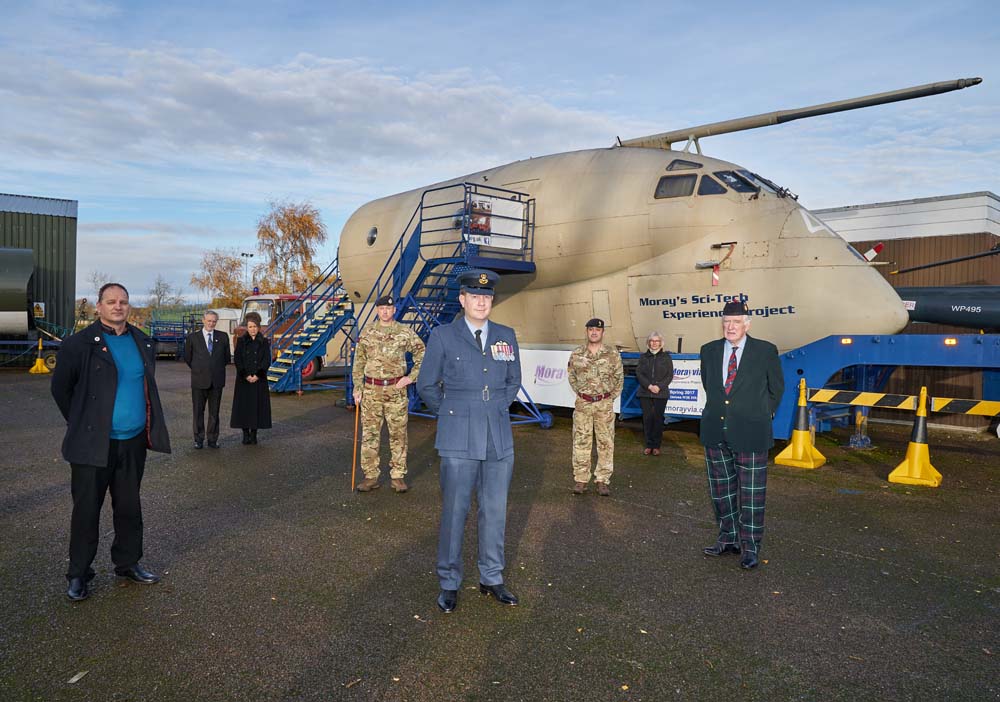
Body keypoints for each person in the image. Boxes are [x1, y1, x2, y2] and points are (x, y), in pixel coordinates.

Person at [50, 282, 171, 601]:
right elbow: (61, 390)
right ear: (98, 307)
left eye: (124, 302)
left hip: (132, 443)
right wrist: (84, 424)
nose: (118, 306)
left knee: (130, 507)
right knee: (87, 510)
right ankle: (78, 574)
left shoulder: (142, 342)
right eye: (111, 301)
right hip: (92, 445)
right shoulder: (79, 344)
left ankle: (128, 563)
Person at [416, 269, 521, 613]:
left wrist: (496, 406)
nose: (481, 301)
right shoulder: (443, 336)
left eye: (487, 297)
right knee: (455, 512)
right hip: (458, 436)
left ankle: (492, 577)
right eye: (474, 296)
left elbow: (512, 380)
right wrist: (451, 414)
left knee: (495, 512)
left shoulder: (506, 335)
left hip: (498, 438)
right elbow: (427, 385)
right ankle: (449, 582)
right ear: (462, 300)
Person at [699, 300, 784, 570]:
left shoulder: (765, 351)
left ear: (747, 324)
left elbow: (776, 389)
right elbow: (710, 386)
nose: (730, 327)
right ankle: (728, 538)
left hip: (751, 432)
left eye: (736, 322)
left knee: (750, 495)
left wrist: (761, 413)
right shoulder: (709, 351)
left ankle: (750, 547)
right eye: (726, 322)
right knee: (721, 492)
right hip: (715, 430)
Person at [351, 294, 425, 493]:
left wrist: (411, 377)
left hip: (396, 391)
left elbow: (422, 352)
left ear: (394, 310)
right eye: (381, 308)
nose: (385, 311)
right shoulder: (367, 332)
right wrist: (357, 387)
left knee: (398, 434)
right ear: (377, 310)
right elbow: (358, 362)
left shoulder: (404, 332)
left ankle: (398, 476)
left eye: (389, 309)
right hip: (371, 391)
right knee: (370, 435)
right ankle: (370, 476)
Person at [567, 318, 624, 496]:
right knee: (581, 441)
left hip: (604, 405)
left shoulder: (612, 354)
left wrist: (607, 398)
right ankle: (581, 479)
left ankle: (602, 480)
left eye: (597, 330)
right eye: (591, 329)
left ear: (602, 332)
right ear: (587, 332)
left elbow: (619, 378)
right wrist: (583, 394)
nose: (594, 332)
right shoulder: (577, 353)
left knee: (606, 442)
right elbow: (572, 377)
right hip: (583, 404)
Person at [184, 310, 231, 449]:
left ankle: (212, 439)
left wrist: (214, 368)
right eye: (209, 320)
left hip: (217, 381)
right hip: (199, 380)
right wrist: (200, 368)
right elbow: (188, 357)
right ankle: (198, 439)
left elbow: (226, 358)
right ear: (203, 321)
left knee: (214, 412)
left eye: (214, 321)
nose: (211, 323)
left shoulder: (223, 337)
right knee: (198, 411)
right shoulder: (193, 338)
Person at [230, 312, 272, 445]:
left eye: (254, 326)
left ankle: (254, 434)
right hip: (244, 380)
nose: (252, 329)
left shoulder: (264, 342)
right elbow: (238, 359)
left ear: (258, 327)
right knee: (244, 407)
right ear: (246, 328)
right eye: (250, 326)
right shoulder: (241, 341)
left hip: (259, 380)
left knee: (257, 407)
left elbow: (267, 360)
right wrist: (245, 375)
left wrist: (258, 375)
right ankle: (245, 434)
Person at [635, 331, 674, 456]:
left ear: (661, 343)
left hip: (661, 393)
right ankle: (648, 445)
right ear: (648, 343)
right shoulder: (643, 357)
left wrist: (659, 386)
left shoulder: (666, 357)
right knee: (647, 419)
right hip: (645, 392)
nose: (654, 343)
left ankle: (656, 446)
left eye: (657, 341)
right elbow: (639, 374)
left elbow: (669, 375)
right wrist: (649, 386)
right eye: (652, 341)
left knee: (658, 419)